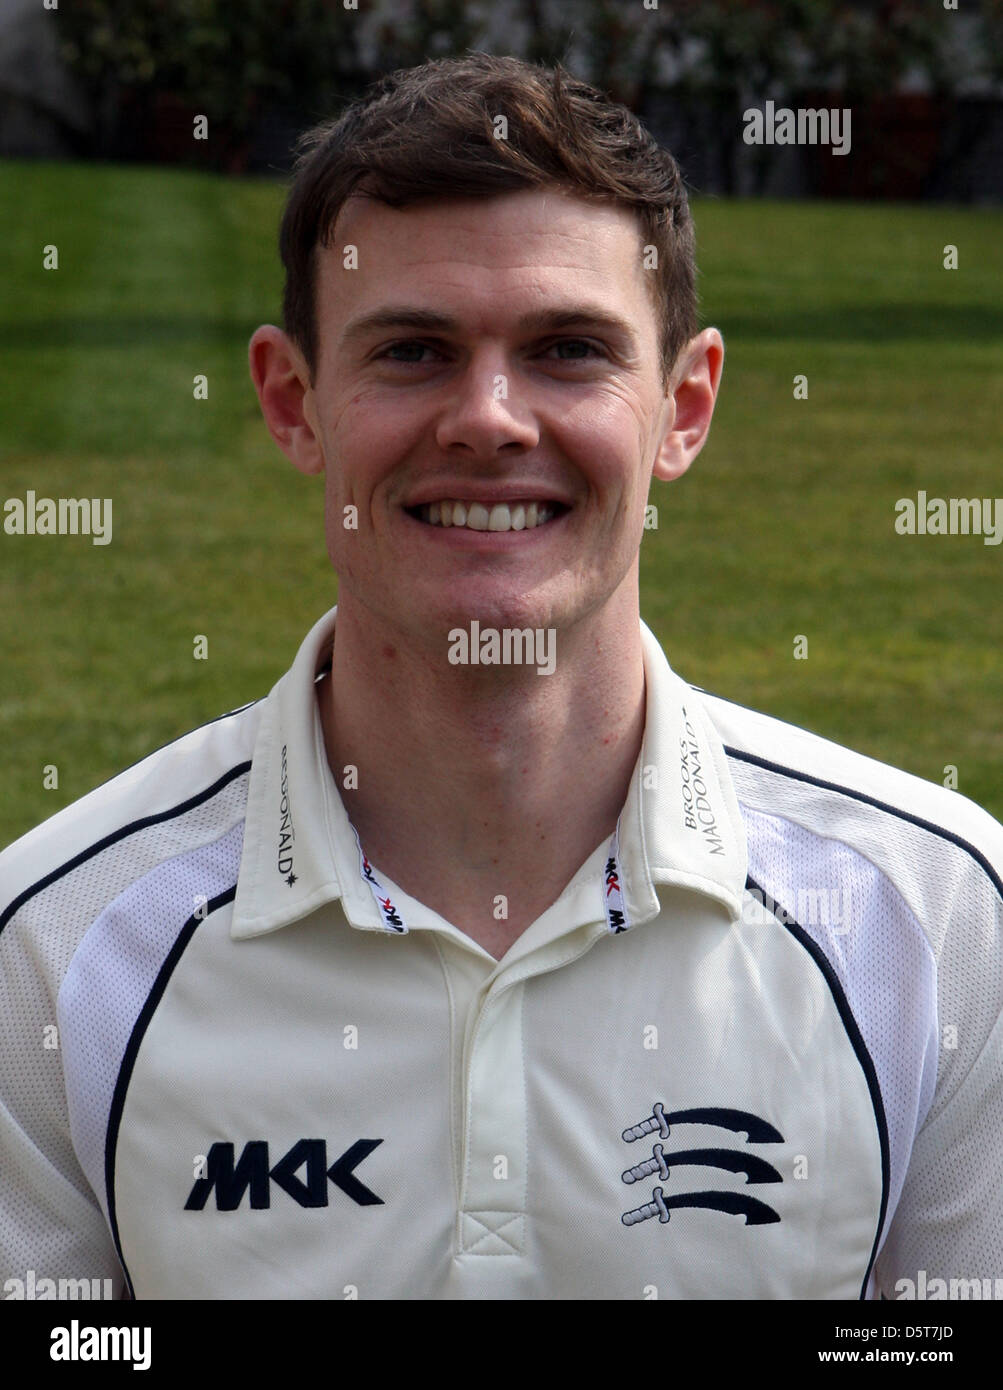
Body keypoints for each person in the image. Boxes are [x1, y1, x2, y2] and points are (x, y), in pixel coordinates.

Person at [1, 52, 1000, 1303]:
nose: (489, 417)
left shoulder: (943, 925)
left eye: (568, 349)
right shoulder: (50, 952)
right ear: (292, 401)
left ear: (683, 407)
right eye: (413, 351)